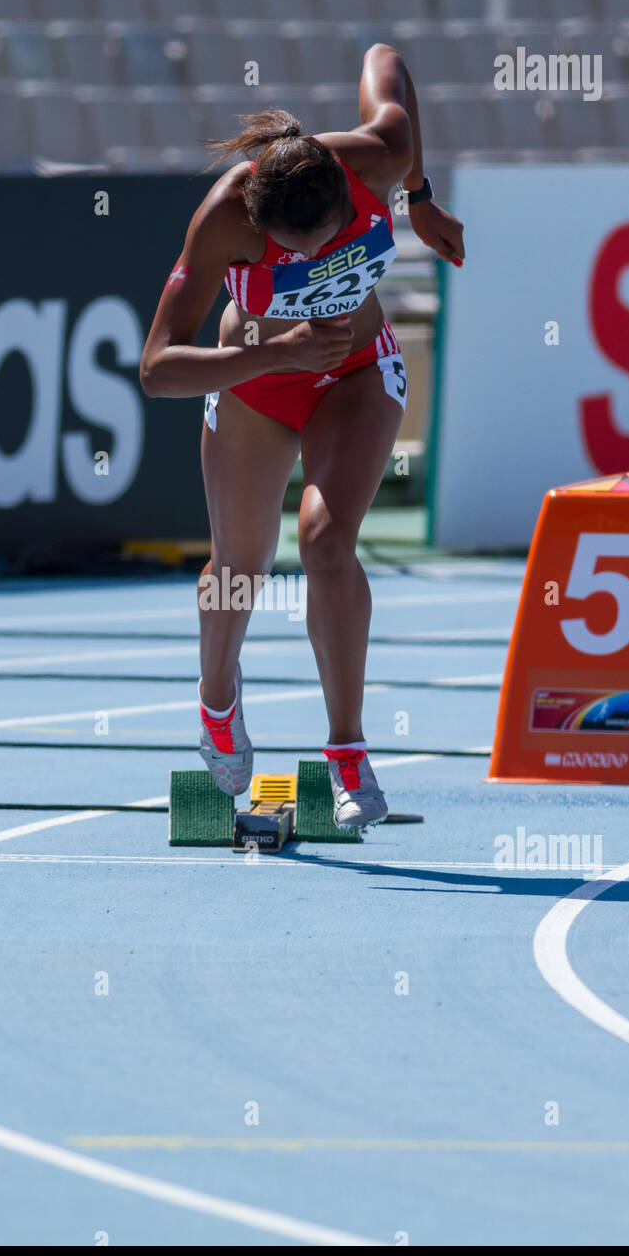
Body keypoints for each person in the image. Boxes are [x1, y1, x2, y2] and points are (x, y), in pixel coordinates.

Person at [140, 43, 464, 828]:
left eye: (330, 240)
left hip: (355, 372)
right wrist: (270, 351)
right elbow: (155, 367)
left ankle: (348, 753)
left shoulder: (378, 155)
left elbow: (386, 57)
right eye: (299, 252)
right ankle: (218, 704)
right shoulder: (222, 218)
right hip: (255, 380)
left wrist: (419, 195)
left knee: (325, 541)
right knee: (238, 571)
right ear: (258, 223)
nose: (318, 257)